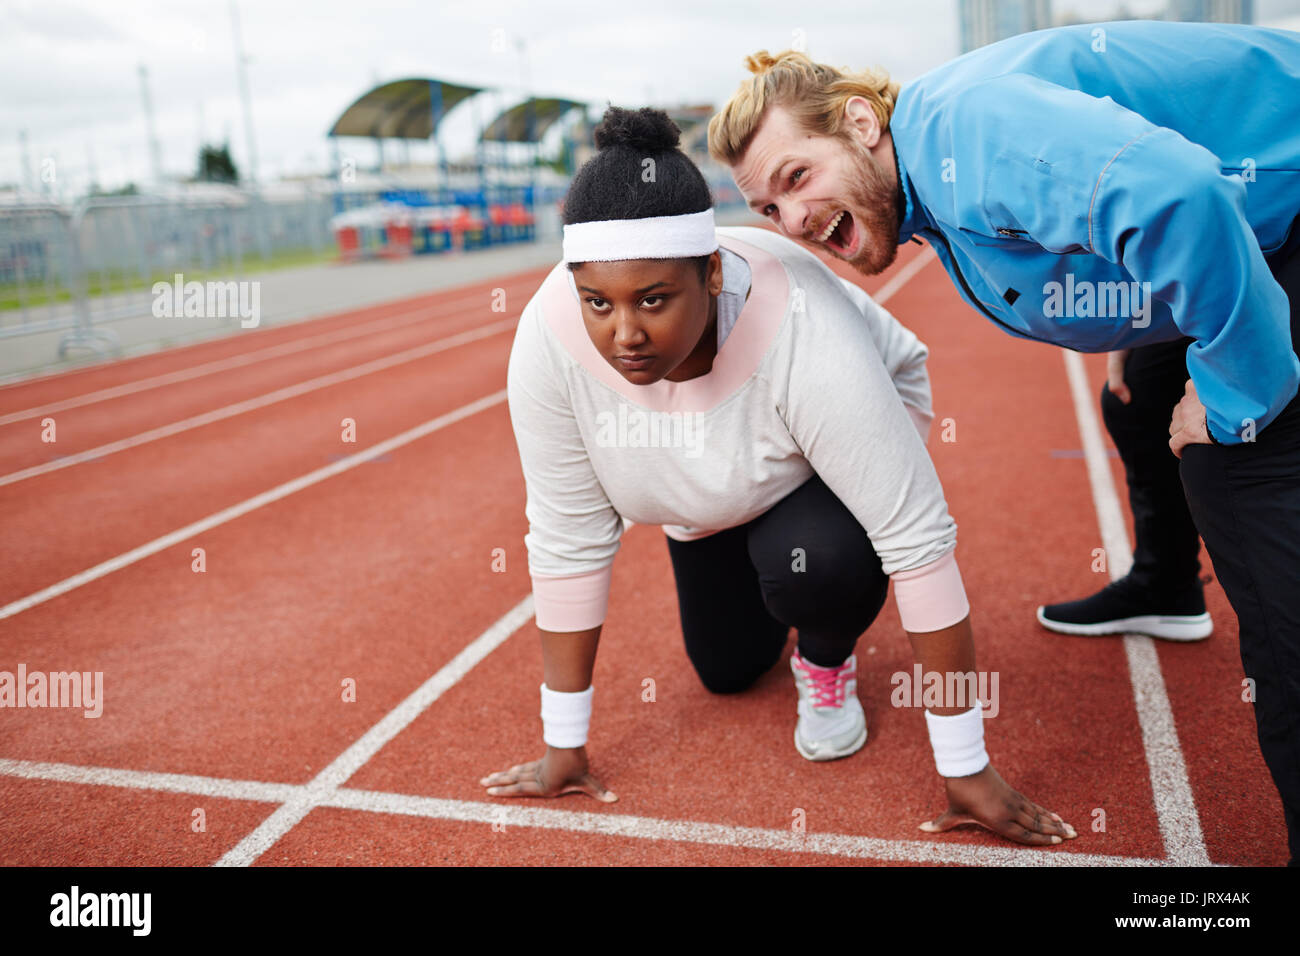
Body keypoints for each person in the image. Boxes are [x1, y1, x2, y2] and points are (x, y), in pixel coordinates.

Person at [708, 20, 1300, 863]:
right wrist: (1145, 325)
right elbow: (1122, 194)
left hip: (1283, 215)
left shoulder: (966, 133)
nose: (792, 219)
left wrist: (1237, 397)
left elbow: (1181, 195)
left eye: (797, 178)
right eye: (767, 209)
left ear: (862, 124)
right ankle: (1168, 585)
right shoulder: (926, 179)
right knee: (1140, 405)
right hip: (1262, 215)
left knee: (1241, 489)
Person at [481, 106, 1077, 847]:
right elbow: (568, 539)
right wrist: (563, 746)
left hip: (805, 470)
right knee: (727, 671)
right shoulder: (550, 341)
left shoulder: (802, 326)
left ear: (713, 271)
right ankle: (766, 590)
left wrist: (966, 767)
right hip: (704, 490)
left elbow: (918, 542)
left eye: (654, 300)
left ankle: (826, 657)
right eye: (599, 303)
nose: (624, 334)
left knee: (822, 568)